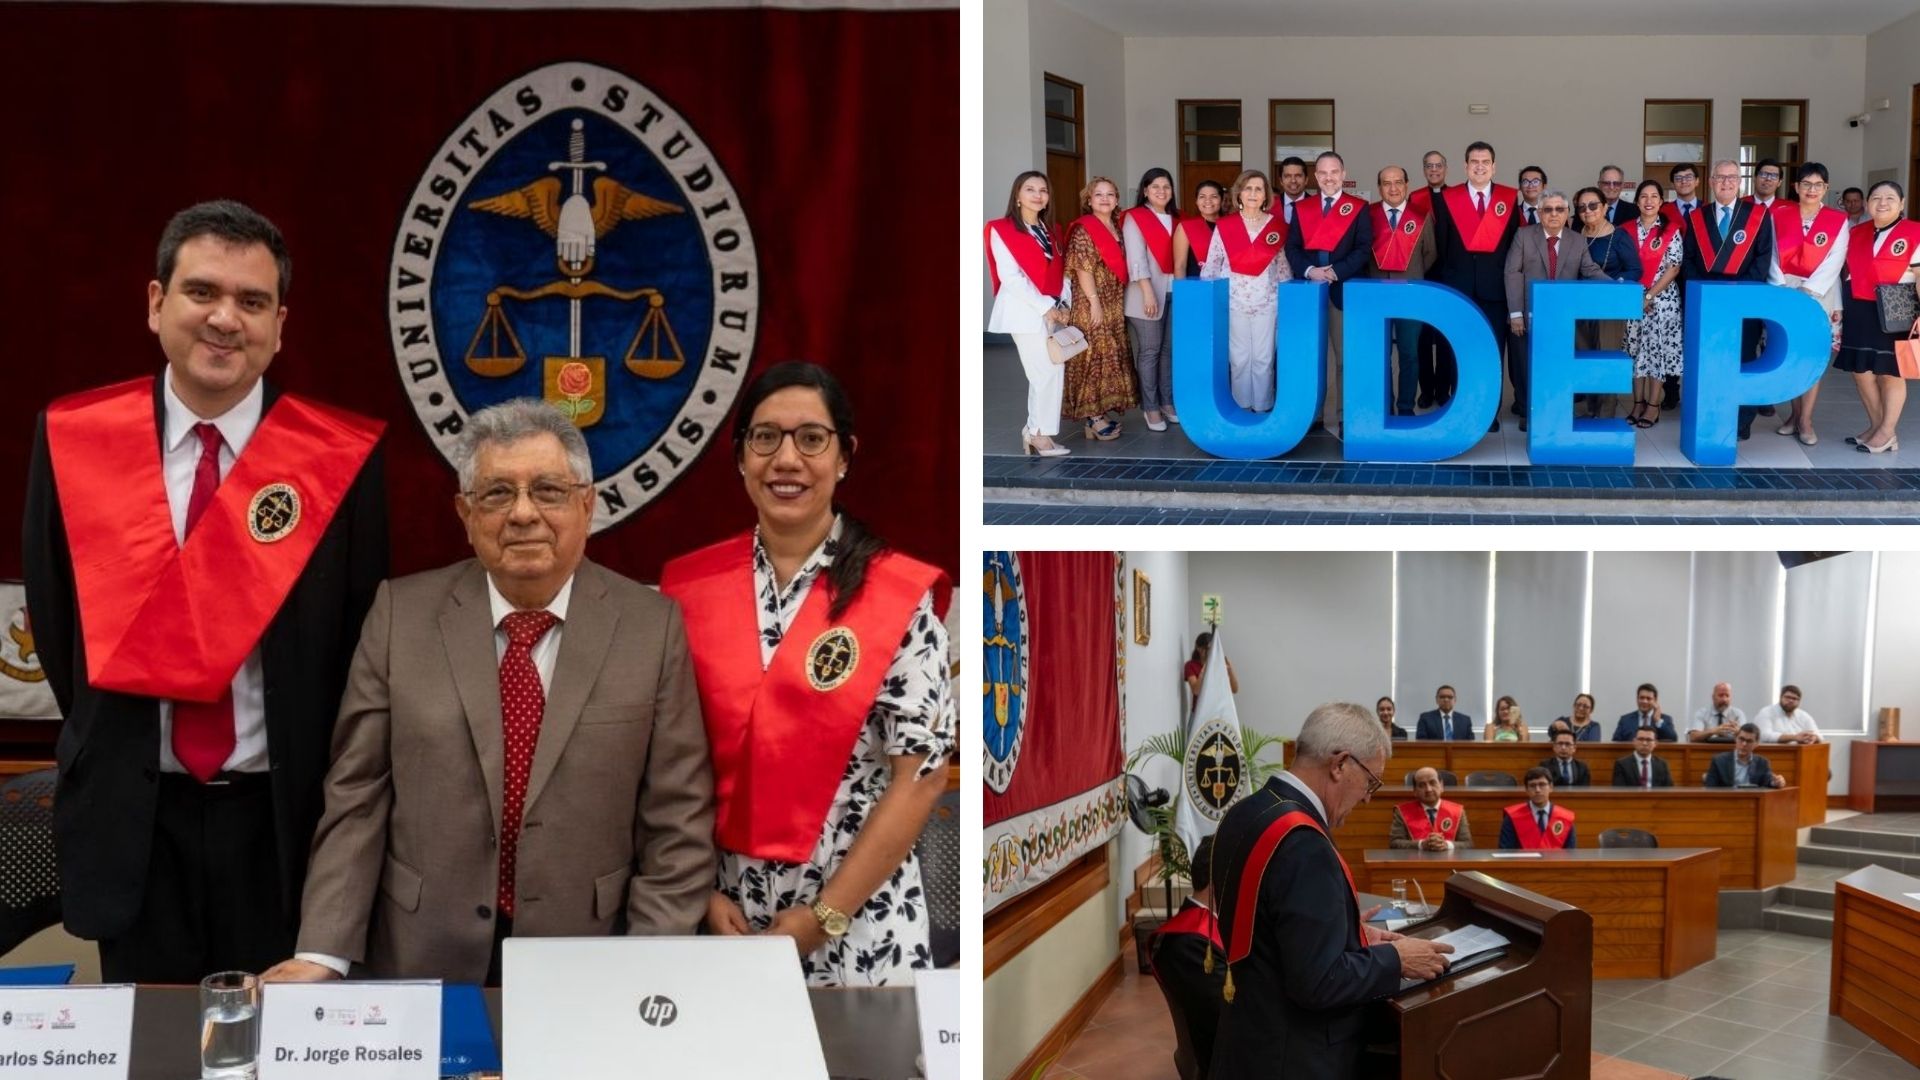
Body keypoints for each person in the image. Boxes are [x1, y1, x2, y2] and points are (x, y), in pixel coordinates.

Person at [21, 200, 389, 984]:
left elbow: (360, 648)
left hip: (282, 824)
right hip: (134, 820)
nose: (226, 319)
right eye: (202, 293)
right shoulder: (78, 440)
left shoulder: (337, 461)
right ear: (157, 304)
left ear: (280, 325)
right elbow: (60, 632)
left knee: (281, 1057)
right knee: (156, 1055)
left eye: (252, 302)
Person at [268, 399, 713, 985]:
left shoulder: (652, 628)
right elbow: (357, 796)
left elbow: (677, 821)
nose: (523, 513)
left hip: (589, 959)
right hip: (421, 951)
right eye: (498, 493)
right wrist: (322, 952)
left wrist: (647, 965)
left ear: (588, 503)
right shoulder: (400, 614)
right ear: (465, 513)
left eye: (549, 491)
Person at [664, 362, 954, 986]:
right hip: (721, 916)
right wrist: (697, 896)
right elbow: (660, 768)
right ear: (740, 457)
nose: (786, 459)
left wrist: (822, 917)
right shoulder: (686, 590)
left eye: (811, 438)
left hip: (858, 917)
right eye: (764, 438)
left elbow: (922, 778)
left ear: (845, 456)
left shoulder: (897, 595)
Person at [1209, 703, 1453, 1080]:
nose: (1369, 796)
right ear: (1340, 764)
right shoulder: (1304, 843)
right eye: (1371, 781)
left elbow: (1269, 927)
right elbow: (1318, 982)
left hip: (1247, 1036)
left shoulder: (1247, 813)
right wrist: (1396, 958)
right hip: (1294, 1056)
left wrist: (1348, 933)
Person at [1504, 189, 1611, 431]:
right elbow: (1512, 273)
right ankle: (1527, 412)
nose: (1554, 214)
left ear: (1567, 213)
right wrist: (1515, 314)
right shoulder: (1523, 235)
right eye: (1548, 209)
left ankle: (1554, 410)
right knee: (1527, 367)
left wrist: (1616, 286)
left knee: (1556, 366)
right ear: (1539, 213)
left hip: (1561, 318)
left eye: (1559, 209)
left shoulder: (1577, 240)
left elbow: (1590, 270)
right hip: (1527, 315)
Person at [1285, 151, 1373, 438]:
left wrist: (1335, 272)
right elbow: (1292, 249)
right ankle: (1313, 414)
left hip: (1341, 290)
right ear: (1316, 176)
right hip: (1309, 293)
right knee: (1311, 357)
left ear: (1343, 174)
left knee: (1344, 359)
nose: (1328, 177)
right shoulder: (1303, 209)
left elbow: (1363, 248)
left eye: (1334, 172)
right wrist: (1311, 270)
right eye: (1322, 173)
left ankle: (1346, 416)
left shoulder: (1359, 208)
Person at [1686, 159, 1775, 441]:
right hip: (1709, 302)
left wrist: (1739, 291)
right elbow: (1688, 260)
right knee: (1711, 359)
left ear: (1740, 182)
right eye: (1720, 178)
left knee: (1745, 359)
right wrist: (1707, 291)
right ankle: (1712, 414)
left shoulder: (1757, 215)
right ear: (1711, 182)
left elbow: (1763, 258)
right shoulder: (1697, 217)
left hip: (1743, 301)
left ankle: (1742, 421)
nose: (1725, 182)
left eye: (1732, 178)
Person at [1436, 141, 1521, 432]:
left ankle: (1489, 413)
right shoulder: (1449, 198)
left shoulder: (1509, 199)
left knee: (1493, 351)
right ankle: (1461, 406)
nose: (1480, 166)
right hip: (1458, 287)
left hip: (1495, 290)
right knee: (1458, 349)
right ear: (1465, 166)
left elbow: (1512, 246)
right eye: (1474, 161)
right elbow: (1442, 246)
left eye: (1486, 161)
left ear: (1494, 166)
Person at [986, 171, 1073, 457]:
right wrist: (1045, 307)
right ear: (1017, 195)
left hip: (1052, 311)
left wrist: (1063, 304)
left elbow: (1063, 274)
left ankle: (1035, 430)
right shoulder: (1001, 229)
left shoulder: (1052, 231)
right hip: (1024, 312)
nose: (1038, 195)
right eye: (1030, 189)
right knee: (1044, 371)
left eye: (1043, 190)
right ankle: (1038, 434)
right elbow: (1011, 277)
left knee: (1053, 368)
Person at [1768, 163, 1850, 446]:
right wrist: (1781, 286)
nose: (1812, 190)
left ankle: (1806, 420)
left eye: (1818, 185)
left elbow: (1835, 260)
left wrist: (1809, 290)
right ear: (1796, 187)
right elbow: (1772, 253)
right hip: (1785, 291)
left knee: (1813, 355)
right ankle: (1793, 414)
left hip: (1820, 293)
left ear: (1826, 188)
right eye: (1806, 184)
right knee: (1789, 354)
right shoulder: (1779, 215)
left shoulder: (1837, 220)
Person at [1836, 180, 1920, 454]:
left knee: (1890, 374)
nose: (1882, 203)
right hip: (1859, 308)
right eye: (1876, 197)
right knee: (1861, 371)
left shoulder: (1914, 232)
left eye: (1890, 198)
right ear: (1867, 202)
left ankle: (1886, 432)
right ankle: (1876, 426)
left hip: (1897, 312)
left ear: (1902, 204)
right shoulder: (1856, 231)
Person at [1202, 169, 1293, 412]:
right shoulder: (1226, 225)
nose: (1253, 193)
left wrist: (1287, 299)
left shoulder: (1277, 227)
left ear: (1266, 196)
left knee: (1264, 359)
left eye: (1259, 189)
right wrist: (1209, 301)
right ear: (1239, 193)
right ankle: (1241, 408)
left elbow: (1282, 267)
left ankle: (1263, 408)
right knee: (1239, 359)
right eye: (1248, 188)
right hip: (1234, 301)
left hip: (1267, 300)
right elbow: (1212, 264)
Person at [1063, 176, 1139, 440]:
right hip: (1091, 301)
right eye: (1098, 194)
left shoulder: (1117, 226)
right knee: (1094, 355)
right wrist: (1094, 302)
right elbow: (1084, 269)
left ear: (1117, 200)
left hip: (1113, 300)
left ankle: (1098, 414)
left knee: (1110, 353)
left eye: (1110, 194)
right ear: (1089, 200)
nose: (1104, 199)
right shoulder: (1085, 228)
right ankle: (1092, 417)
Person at [1149, 834, 1226, 1080]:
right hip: (1221, 1063)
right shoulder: (1189, 945)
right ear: (1218, 886)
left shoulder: (1202, 931)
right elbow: (1231, 1013)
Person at [1369, 164, 1439, 416]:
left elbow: (1430, 254)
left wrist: (1411, 273)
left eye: (1398, 181)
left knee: (1410, 352)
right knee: (1381, 353)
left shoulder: (1421, 216)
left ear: (1407, 185)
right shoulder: (1369, 214)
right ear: (1379, 188)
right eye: (1387, 183)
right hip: (1377, 295)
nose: (1393, 188)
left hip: (1410, 294)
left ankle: (1406, 406)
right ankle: (1385, 404)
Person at [1573, 185, 1643, 419]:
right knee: (1585, 358)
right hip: (1580, 309)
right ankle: (1591, 409)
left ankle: (1605, 415)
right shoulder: (1575, 232)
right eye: (1582, 207)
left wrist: (1615, 285)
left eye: (1593, 205)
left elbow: (1635, 269)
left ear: (1604, 207)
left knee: (1606, 359)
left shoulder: (1619, 235)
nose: (1587, 210)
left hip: (1609, 310)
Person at [1625, 179, 1686, 429]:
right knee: (1636, 352)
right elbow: (1623, 265)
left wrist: (1648, 297)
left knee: (1656, 354)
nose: (1648, 201)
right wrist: (1639, 296)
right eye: (1643, 196)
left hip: (1662, 302)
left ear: (1661, 202)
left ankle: (1653, 405)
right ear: (1637, 201)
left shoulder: (1671, 230)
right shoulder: (1626, 230)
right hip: (1633, 301)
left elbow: (1674, 268)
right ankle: (1637, 402)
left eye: (1654, 196)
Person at [1125, 168, 1179, 432]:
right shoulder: (1135, 218)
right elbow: (1136, 258)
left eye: (1166, 186)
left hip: (1173, 292)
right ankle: (1150, 407)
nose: (1161, 191)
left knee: (1168, 350)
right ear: (1145, 190)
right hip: (1146, 293)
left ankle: (1167, 402)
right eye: (1155, 186)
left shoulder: (1176, 218)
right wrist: (1148, 291)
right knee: (1150, 350)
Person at [1413, 150, 1457, 408]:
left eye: (1438, 165)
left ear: (1446, 169)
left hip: (1450, 277)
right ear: (1424, 170)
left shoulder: (1457, 197)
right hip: (1423, 276)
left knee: (1445, 338)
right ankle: (1426, 390)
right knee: (1422, 338)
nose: (1434, 170)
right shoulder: (1415, 198)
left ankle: (1444, 390)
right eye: (1429, 166)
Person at [1388, 767, 1472, 850]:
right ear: (1415, 791)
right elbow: (1394, 843)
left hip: (1450, 861)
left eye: (1432, 783)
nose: (1428, 789)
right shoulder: (1402, 812)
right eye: (1422, 785)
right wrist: (1421, 844)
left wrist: (1446, 845)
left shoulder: (1457, 811)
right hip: (1415, 861)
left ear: (1441, 786)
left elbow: (1467, 844)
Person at [1498, 769, 1575, 849]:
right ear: (1526, 790)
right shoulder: (1512, 817)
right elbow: (1505, 852)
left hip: (1556, 861)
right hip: (1522, 861)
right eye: (1532, 786)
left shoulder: (1564, 818)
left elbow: (1570, 853)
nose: (1537, 790)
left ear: (1551, 787)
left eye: (1542, 785)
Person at [1705, 724, 1787, 788]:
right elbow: (1710, 787)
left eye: (1749, 741)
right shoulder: (1719, 760)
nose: (1744, 744)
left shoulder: (1762, 763)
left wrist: (1776, 782)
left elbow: (1768, 782)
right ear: (1735, 739)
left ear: (1756, 744)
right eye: (1741, 739)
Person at [1173, 179, 1225, 278]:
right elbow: (1180, 266)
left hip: (1228, 286)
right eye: (1202, 197)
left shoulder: (1230, 225)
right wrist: (1182, 292)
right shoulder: (1186, 227)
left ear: (1221, 200)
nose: (1208, 201)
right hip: (1196, 287)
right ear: (1196, 201)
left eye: (1214, 196)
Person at [1186, 630, 1240, 711]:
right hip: (1199, 712)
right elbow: (1196, 691)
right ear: (1198, 648)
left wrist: (1230, 671)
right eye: (1206, 648)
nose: (1208, 651)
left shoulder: (1221, 663)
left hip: (1218, 711)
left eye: (1211, 648)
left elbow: (1235, 689)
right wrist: (1205, 667)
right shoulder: (1191, 665)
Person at [1752, 685, 1822, 744]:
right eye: (1787, 697)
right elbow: (1764, 736)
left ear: (1799, 702)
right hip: (1772, 755)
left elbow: (1819, 735)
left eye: (1795, 699)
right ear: (1780, 697)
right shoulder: (1766, 712)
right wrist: (1794, 737)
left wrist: (1814, 737)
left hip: (1799, 754)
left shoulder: (1804, 716)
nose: (1791, 701)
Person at [1611, 683, 1677, 741]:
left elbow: (1673, 739)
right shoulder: (1625, 720)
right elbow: (1615, 742)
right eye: (1641, 698)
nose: (1644, 701)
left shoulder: (1665, 719)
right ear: (1637, 699)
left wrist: (1658, 721)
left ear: (1655, 700)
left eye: (1648, 698)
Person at [1276, 156, 1311, 226]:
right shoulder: (1270, 206)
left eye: (1298, 176)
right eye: (1288, 176)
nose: (1293, 180)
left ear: (1306, 180)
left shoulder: (1318, 206)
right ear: (1281, 181)